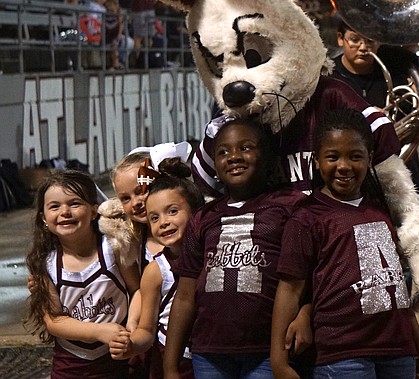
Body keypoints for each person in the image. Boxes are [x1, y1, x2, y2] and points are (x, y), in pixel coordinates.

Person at [270, 108, 419, 379]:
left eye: (355, 156)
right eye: (332, 157)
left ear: (369, 158)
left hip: (397, 349)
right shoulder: (307, 217)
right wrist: (278, 359)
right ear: (317, 160)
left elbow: (393, 283)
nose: (344, 166)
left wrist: (418, 343)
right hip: (342, 354)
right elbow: (289, 289)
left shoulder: (379, 209)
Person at [164, 119, 310, 379]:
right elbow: (185, 295)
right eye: (223, 151)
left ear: (267, 158)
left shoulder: (291, 207)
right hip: (209, 351)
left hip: (268, 349)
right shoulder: (203, 218)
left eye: (245, 148)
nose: (233, 157)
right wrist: (170, 367)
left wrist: (306, 313)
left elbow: (310, 276)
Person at [24, 170, 141, 378]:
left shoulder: (113, 247)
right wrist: (99, 331)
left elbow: (137, 290)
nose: (65, 212)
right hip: (70, 364)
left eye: (74, 203)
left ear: (94, 211)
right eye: (54, 206)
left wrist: (131, 328)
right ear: (44, 218)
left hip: (119, 356)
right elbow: (54, 321)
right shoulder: (44, 263)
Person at [109, 158, 206, 378]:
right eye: (154, 217)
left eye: (172, 211)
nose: (163, 222)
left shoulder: (213, 254)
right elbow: (146, 325)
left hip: (214, 354)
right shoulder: (152, 267)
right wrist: (132, 341)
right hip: (171, 356)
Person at [331, 20, 419, 195]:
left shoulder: (399, 74)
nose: (363, 47)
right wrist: (370, 121)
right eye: (355, 39)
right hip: (349, 179)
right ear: (340, 39)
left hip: (400, 177)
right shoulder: (329, 78)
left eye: (370, 41)